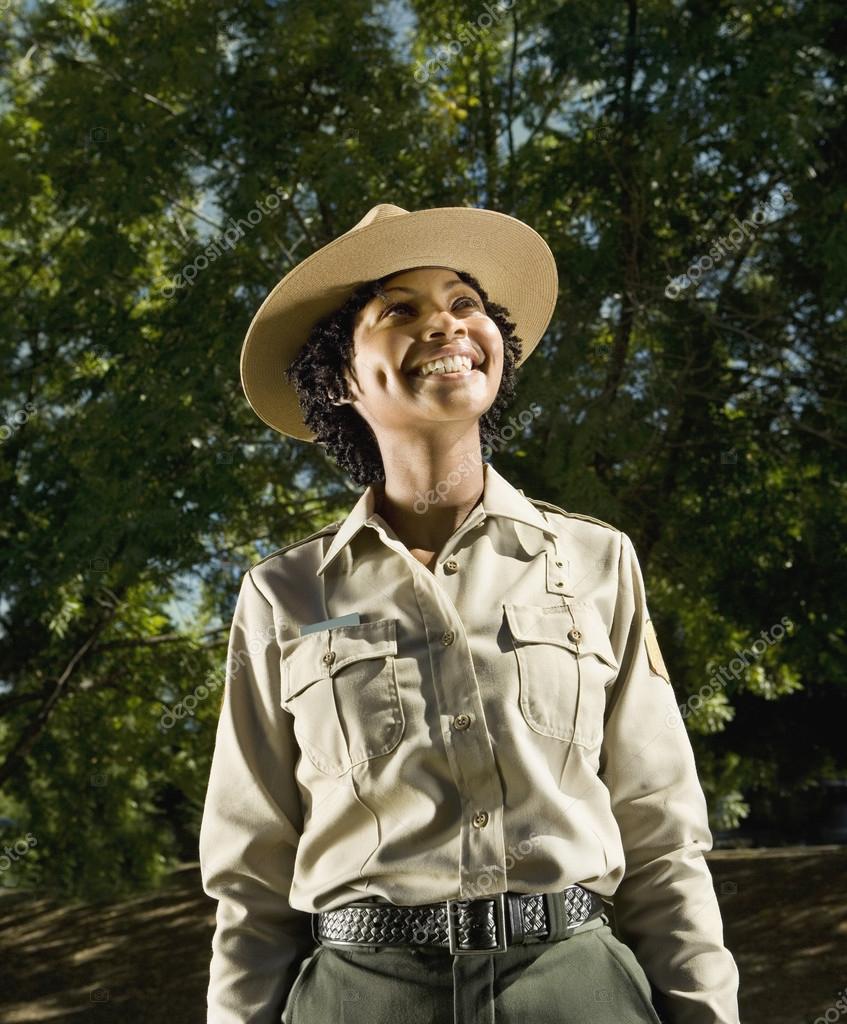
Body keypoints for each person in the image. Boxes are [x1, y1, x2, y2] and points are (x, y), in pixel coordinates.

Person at [198, 203, 742, 1024]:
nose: (445, 326)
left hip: (577, 989)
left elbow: (662, 838)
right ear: (341, 376)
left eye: (463, 303)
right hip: (359, 998)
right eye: (400, 310)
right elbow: (249, 876)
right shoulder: (284, 595)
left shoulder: (596, 563)